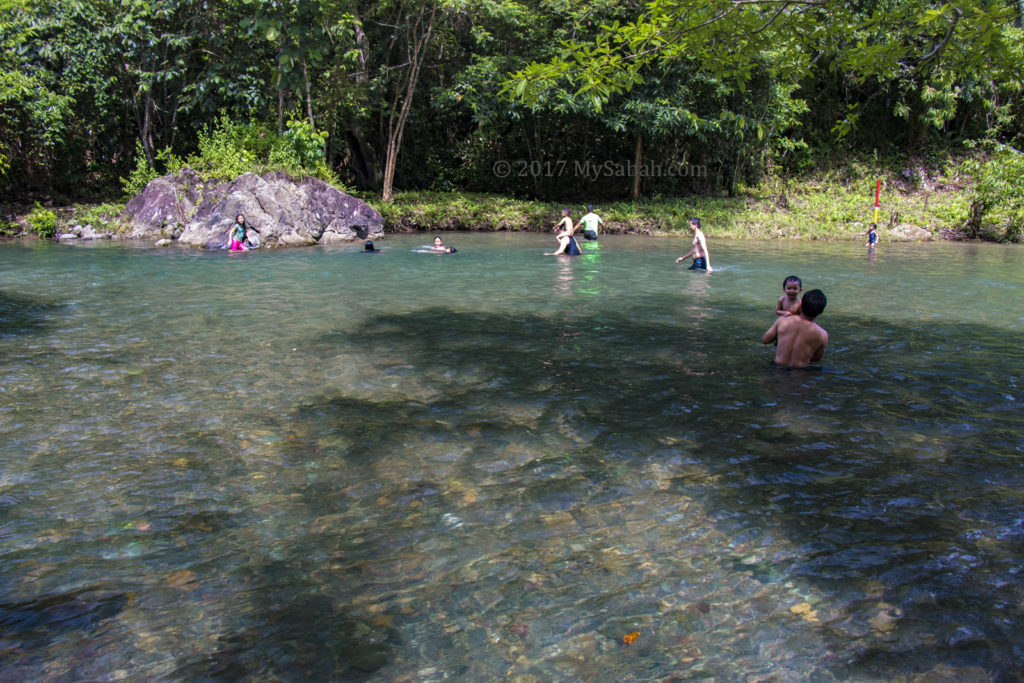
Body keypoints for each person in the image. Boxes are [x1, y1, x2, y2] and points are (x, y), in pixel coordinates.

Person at [761, 289, 828, 368]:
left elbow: (765, 340)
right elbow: (815, 360)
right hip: (799, 373)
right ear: (821, 312)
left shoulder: (783, 320)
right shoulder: (822, 334)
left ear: (800, 305)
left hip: (777, 367)